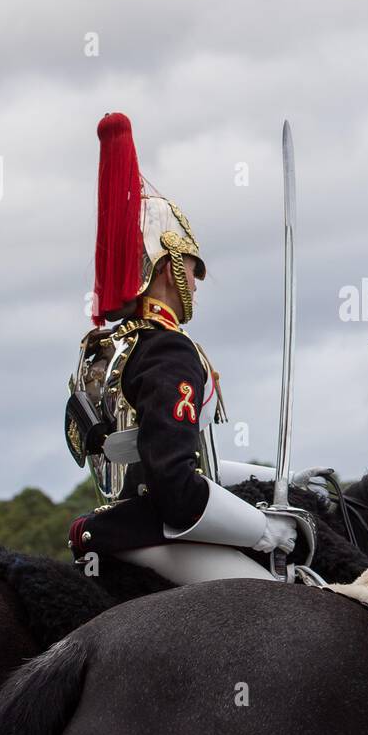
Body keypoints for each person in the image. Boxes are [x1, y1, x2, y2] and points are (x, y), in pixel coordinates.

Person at [63, 112, 295, 584]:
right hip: (159, 534)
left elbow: (178, 456)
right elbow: (173, 486)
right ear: (168, 269)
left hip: (113, 529)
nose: (197, 280)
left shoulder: (103, 349)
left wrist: (266, 480)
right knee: (281, 607)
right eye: (192, 266)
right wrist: (265, 531)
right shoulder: (167, 352)